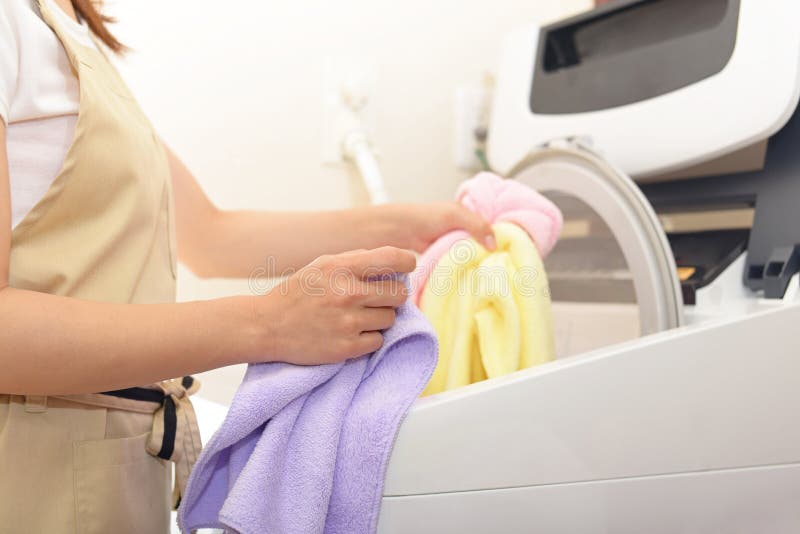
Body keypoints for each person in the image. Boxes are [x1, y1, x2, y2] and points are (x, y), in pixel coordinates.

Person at [0, 0, 494, 531]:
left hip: (106, 471)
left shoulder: (64, 32)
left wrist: (404, 228)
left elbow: (210, 236)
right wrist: (270, 323)